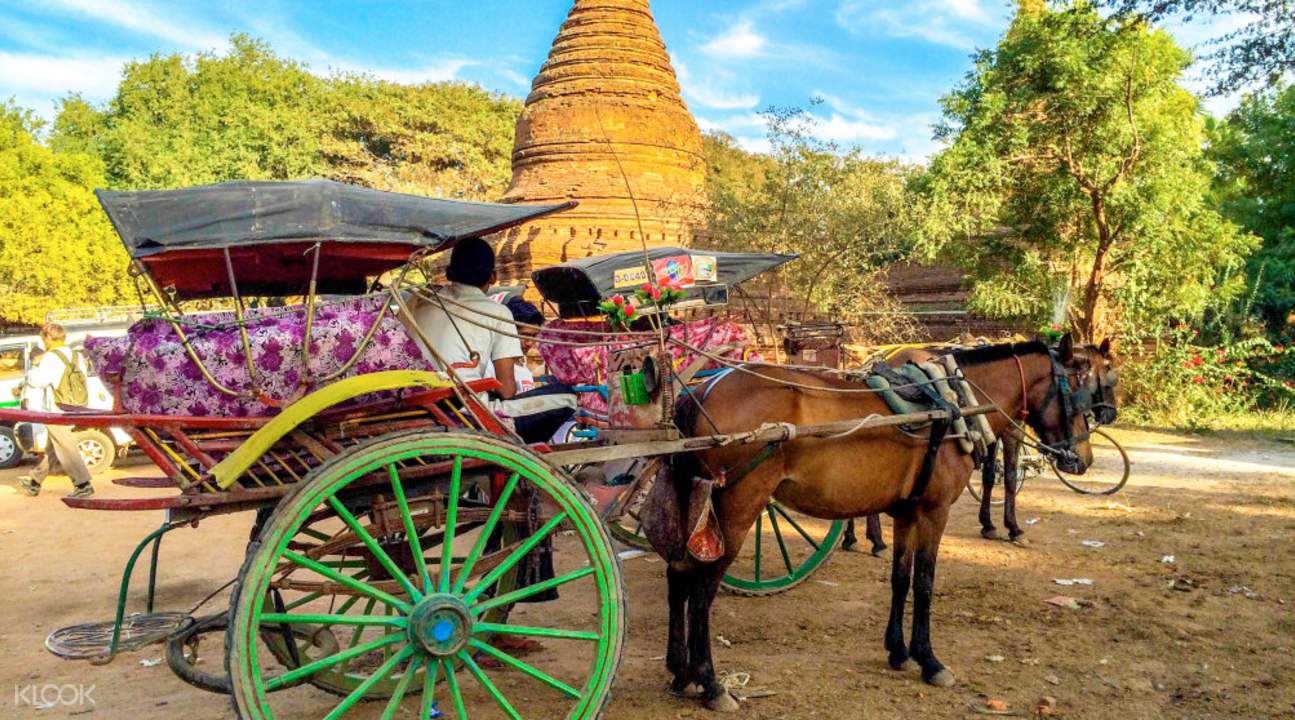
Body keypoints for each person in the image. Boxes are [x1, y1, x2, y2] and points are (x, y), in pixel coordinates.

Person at [408, 238, 575, 443]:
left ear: (450, 273)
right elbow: (506, 390)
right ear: (493, 277)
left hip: (416, 403)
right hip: (466, 412)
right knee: (567, 395)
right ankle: (522, 457)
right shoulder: (497, 312)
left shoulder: (418, 300)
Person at [17, 323, 94, 498]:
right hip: (74, 405)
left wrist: (34, 367)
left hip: (55, 408)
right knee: (54, 447)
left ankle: (83, 484)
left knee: (65, 447)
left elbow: (38, 381)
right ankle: (35, 481)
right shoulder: (76, 355)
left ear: (48, 338)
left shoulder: (50, 358)